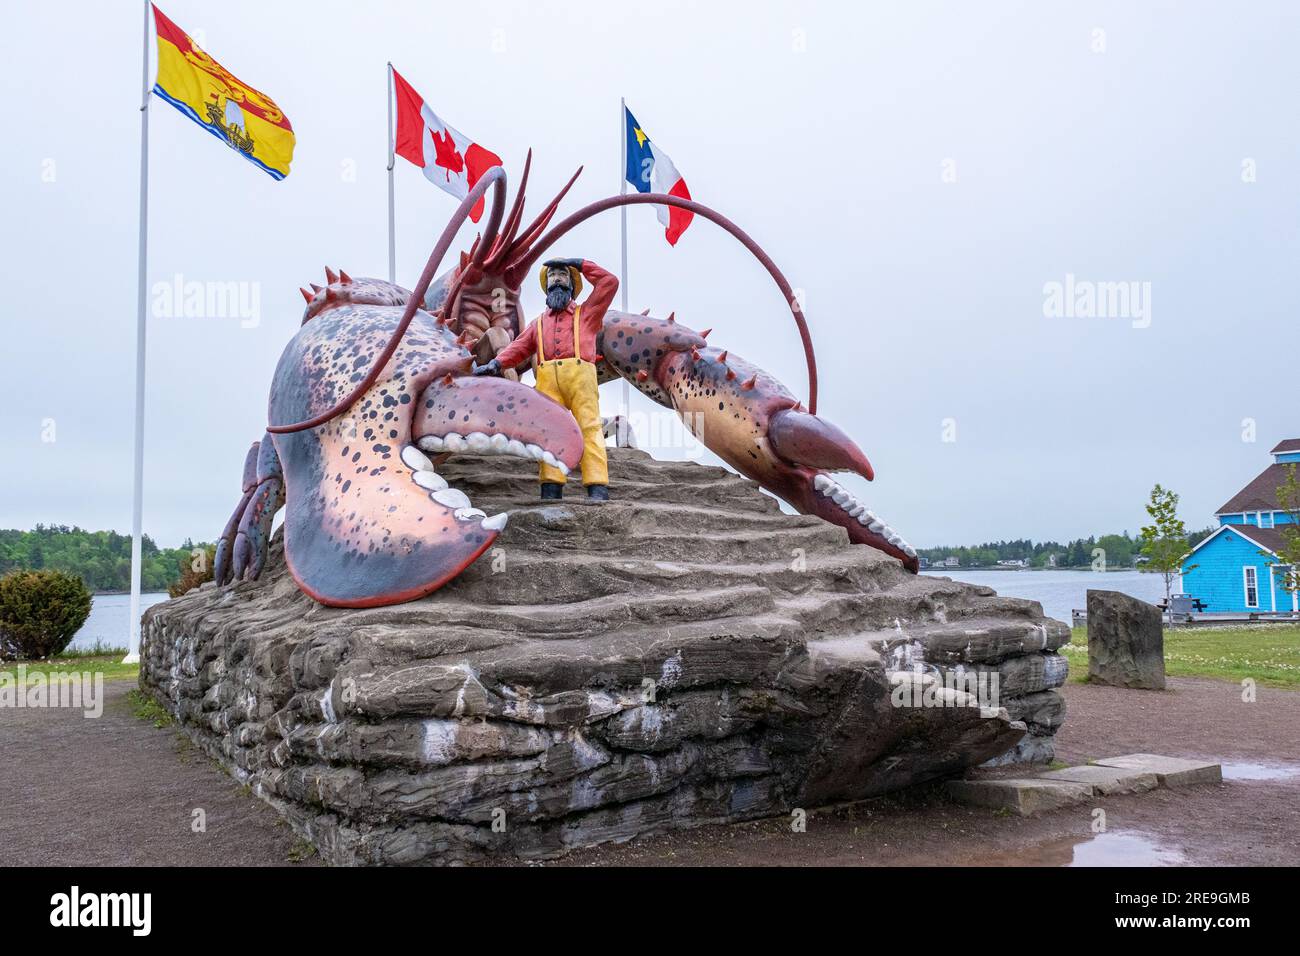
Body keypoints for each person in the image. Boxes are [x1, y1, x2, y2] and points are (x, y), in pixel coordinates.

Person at [473, 257, 618, 500]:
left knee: (589, 428)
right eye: (552, 276)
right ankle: (551, 485)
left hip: (580, 377)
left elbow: (609, 282)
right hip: (547, 379)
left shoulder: (588, 313)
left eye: (562, 275)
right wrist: (495, 364)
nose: (556, 280)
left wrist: (581, 264)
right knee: (549, 431)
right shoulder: (538, 323)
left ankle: (597, 486)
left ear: (572, 283)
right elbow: (518, 347)